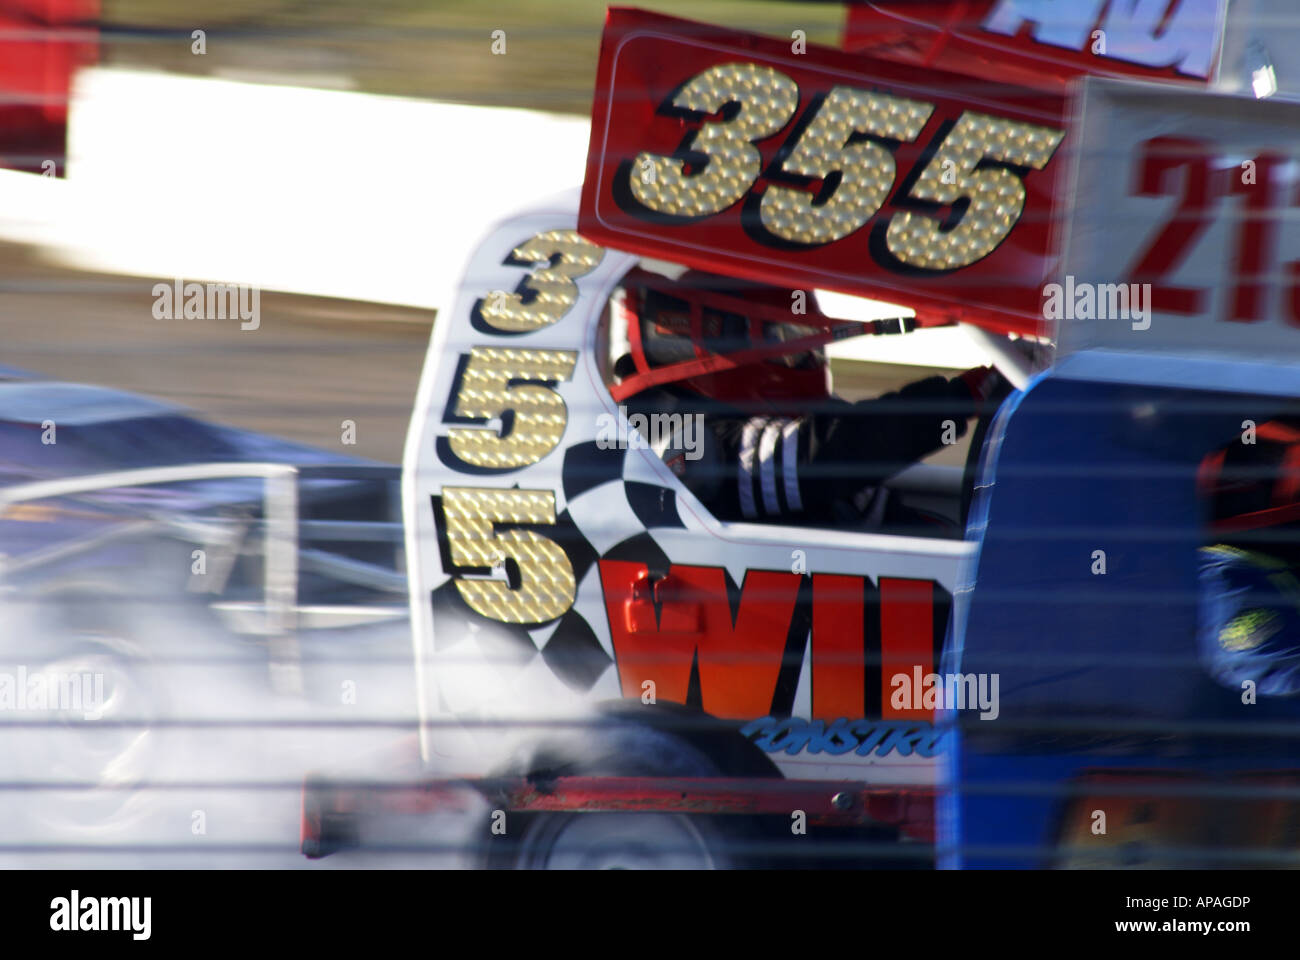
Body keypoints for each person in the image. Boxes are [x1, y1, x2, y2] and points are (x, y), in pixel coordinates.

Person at [607, 267, 1008, 529]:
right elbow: (832, 452)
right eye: (787, 342)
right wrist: (959, 399)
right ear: (722, 343)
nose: (805, 359)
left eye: (807, 344)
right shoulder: (677, 441)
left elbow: (888, 518)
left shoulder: (796, 432)